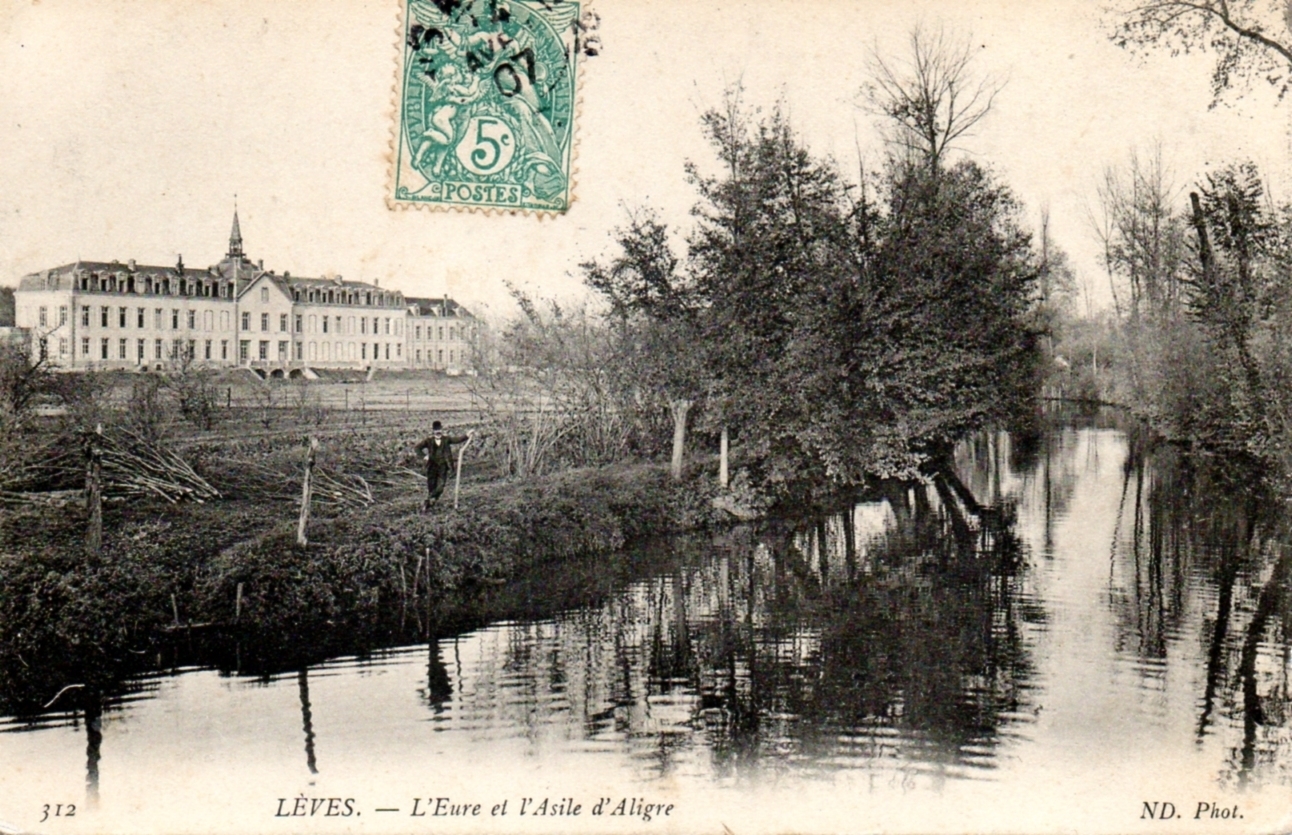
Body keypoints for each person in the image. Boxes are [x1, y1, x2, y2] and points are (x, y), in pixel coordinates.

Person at [415, 420, 473, 511]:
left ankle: (428, 501)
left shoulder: (446, 439)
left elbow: (457, 439)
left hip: (443, 466)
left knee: (441, 487)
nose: (438, 432)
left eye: (439, 430)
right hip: (432, 467)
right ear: (433, 431)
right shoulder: (428, 441)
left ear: (442, 430)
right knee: (431, 486)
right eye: (436, 430)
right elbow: (417, 448)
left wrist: (467, 435)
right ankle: (430, 503)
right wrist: (424, 456)